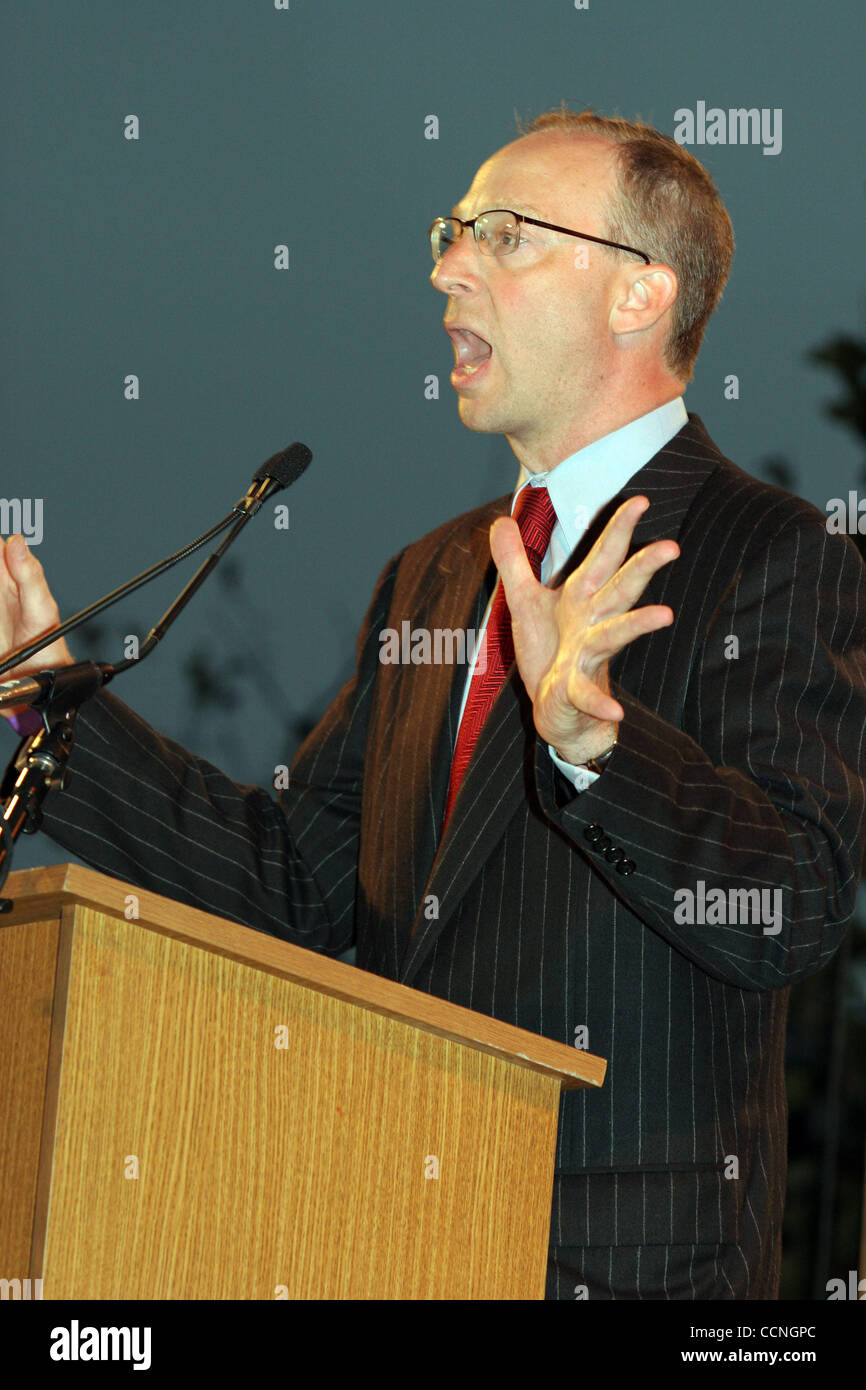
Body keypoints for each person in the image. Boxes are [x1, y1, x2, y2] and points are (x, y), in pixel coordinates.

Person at [2, 106, 865, 1300]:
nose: (447, 267)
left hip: (630, 1277)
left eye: (505, 235)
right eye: (451, 232)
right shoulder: (434, 575)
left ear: (638, 294)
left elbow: (793, 905)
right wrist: (39, 715)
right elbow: (295, 893)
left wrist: (592, 751)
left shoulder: (775, 554)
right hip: (396, 1246)